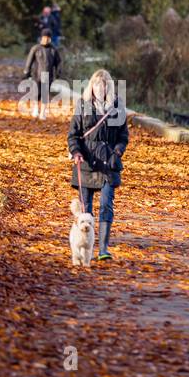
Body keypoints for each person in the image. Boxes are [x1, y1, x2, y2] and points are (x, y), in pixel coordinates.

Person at [67, 68, 128, 260]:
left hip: (109, 165)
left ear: (108, 87)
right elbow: (73, 135)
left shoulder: (117, 107)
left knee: (106, 206)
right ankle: (86, 249)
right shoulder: (83, 105)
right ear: (91, 86)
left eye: (103, 85)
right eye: (96, 84)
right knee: (86, 210)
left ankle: (103, 249)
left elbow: (123, 136)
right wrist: (76, 152)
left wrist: (117, 152)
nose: (99, 88)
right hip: (86, 164)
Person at [23, 29, 61, 119]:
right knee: (36, 93)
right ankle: (36, 108)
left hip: (48, 76)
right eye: (44, 38)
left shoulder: (53, 50)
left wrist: (58, 72)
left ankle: (43, 112)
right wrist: (26, 71)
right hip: (37, 75)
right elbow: (29, 61)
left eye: (47, 38)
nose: (46, 40)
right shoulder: (36, 48)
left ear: (50, 39)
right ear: (41, 38)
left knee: (45, 94)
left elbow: (58, 62)